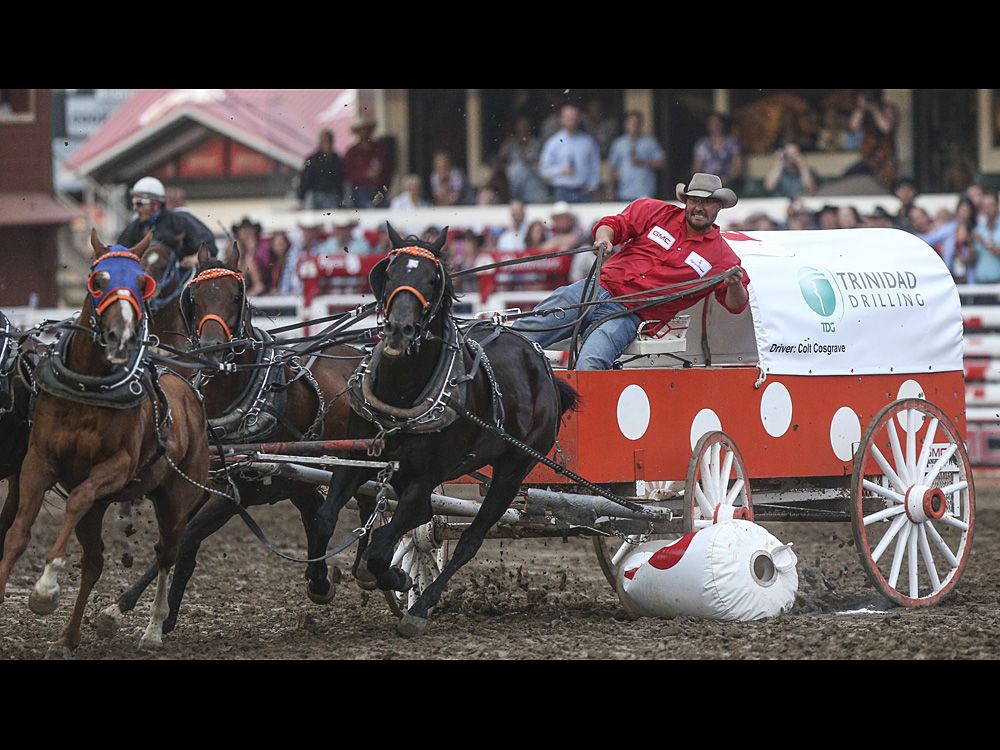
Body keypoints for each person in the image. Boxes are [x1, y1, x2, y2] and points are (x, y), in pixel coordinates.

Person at [512, 173, 750, 370]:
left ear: (718, 206)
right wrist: (604, 240)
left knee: (590, 364)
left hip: (631, 313)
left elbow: (736, 304)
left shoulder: (723, 258)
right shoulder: (654, 211)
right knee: (524, 333)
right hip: (599, 286)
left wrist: (733, 283)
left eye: (707, 202)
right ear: (685, 201)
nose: (699, 207)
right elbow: (614, 225)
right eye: (694, 200)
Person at [118, 176, 217, 265]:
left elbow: (209, 246)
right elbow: (119, 253)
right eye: (133, 203)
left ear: (156, 204)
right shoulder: (134, 227)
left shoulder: (179, 221)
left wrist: (195, 259)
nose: (135, 208)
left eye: (139, 203)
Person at [538, 103, 601, 203]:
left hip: (583, 192)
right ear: (561, 119)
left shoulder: (588, 142)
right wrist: (561, 170)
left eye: (574, 116)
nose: (572, 120)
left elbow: (595, 167)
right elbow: (544, 170)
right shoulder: (553, 142)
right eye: (568, 117)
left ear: (579, 118)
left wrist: (591, 186)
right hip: (561, 191)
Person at [844, 90, 899, 187]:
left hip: (886, 154)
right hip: (868, 155)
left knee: (887, 182)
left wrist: (875, 109)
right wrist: (861, 109)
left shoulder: (888, 109)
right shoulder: (863, 112)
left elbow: (886, 128)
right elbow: (853, 127)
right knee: (851, 174)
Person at [607, 111, 666, 202]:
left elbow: (661, 163)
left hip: (645, 192)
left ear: (641, 124)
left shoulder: (650, 142)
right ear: (626, 124)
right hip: (624, 192)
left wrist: (643, 161)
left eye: (636, 123)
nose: (634, 126)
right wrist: (611, 189)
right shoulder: (619, 144)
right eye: (631, 123)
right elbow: (612, 167)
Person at [343, 115, 395, 209]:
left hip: (379, 190)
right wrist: (365, 174)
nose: (364, 133)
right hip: (360, 191)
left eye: (366, 130)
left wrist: (385, 187)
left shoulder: (380, 149)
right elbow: (348, 174)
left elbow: (389, 169)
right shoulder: (352, 152)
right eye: (361, 130)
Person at [499, 114, 550, 203]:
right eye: (520, 126)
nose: (523, 128)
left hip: (533, 182)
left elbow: (542, 164)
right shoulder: (509, 144)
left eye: (525, 126)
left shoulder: (536, 144)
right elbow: (501, 161)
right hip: (512, 184)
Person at [691, 113, 744, 190]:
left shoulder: (732, 143)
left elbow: (738, 166)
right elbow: (696, 167)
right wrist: (702, 181)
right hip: (706, 184)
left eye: (717, 123)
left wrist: (727, 179)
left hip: (728, 183)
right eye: (711, 123)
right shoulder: (702, 144)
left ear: (722, 125)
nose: (714, 126)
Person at [297, 129, 343, 210]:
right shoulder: (310, 159)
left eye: (328, 141)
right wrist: (301, 196)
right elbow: (304, 178)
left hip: (331, 196)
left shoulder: (337, 160)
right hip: (314, 196)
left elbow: (340, 180)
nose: (326, 145)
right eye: (323, 142)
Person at [972, 189, 1000, 283]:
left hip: (997, 284)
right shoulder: (978, 230)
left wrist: (984, 242)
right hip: (980, 284)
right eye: (985, 206)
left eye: (990, 205)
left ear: (997, 207)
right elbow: (973, 259)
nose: (987, 209)